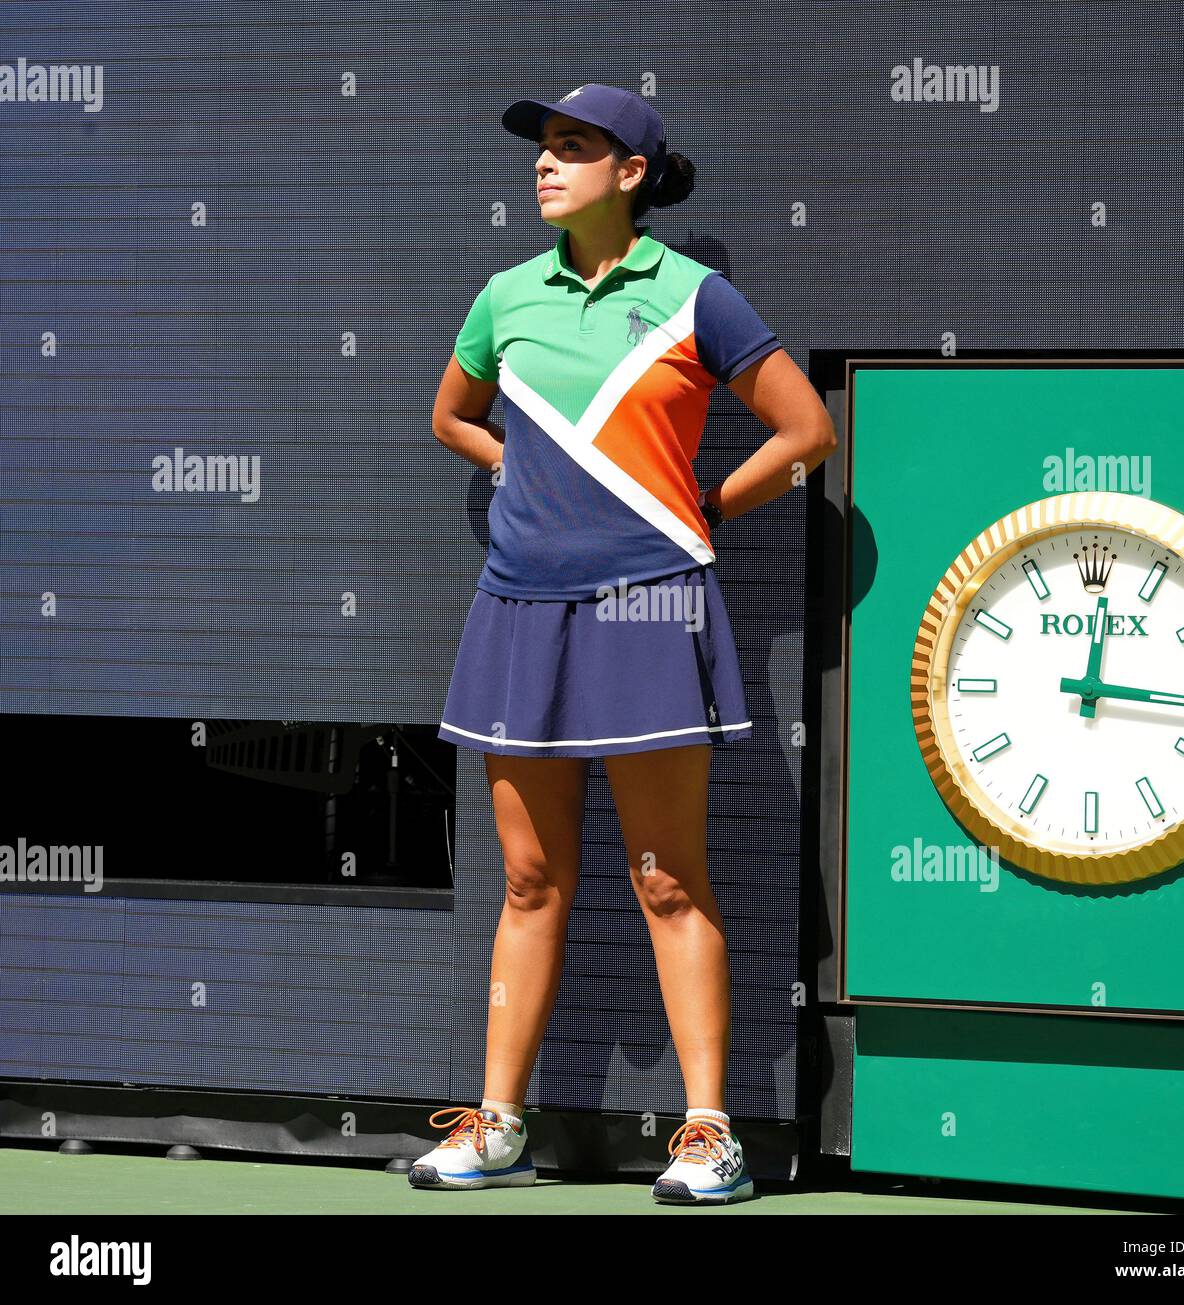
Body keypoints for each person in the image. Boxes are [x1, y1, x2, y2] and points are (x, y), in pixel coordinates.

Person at [414, 83, 836, 1205]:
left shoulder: (699, 299)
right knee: (529, 878)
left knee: (666, 882)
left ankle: (709, 1136)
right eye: (542, 149)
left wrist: (703, 504)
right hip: (518, 614)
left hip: (652, 608)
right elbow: (453, 415)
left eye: (571, 147)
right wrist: (522, 474)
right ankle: (498, 1124)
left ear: (631, 172)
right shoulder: (504, 298)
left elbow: (807, 433)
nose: (545, 166)